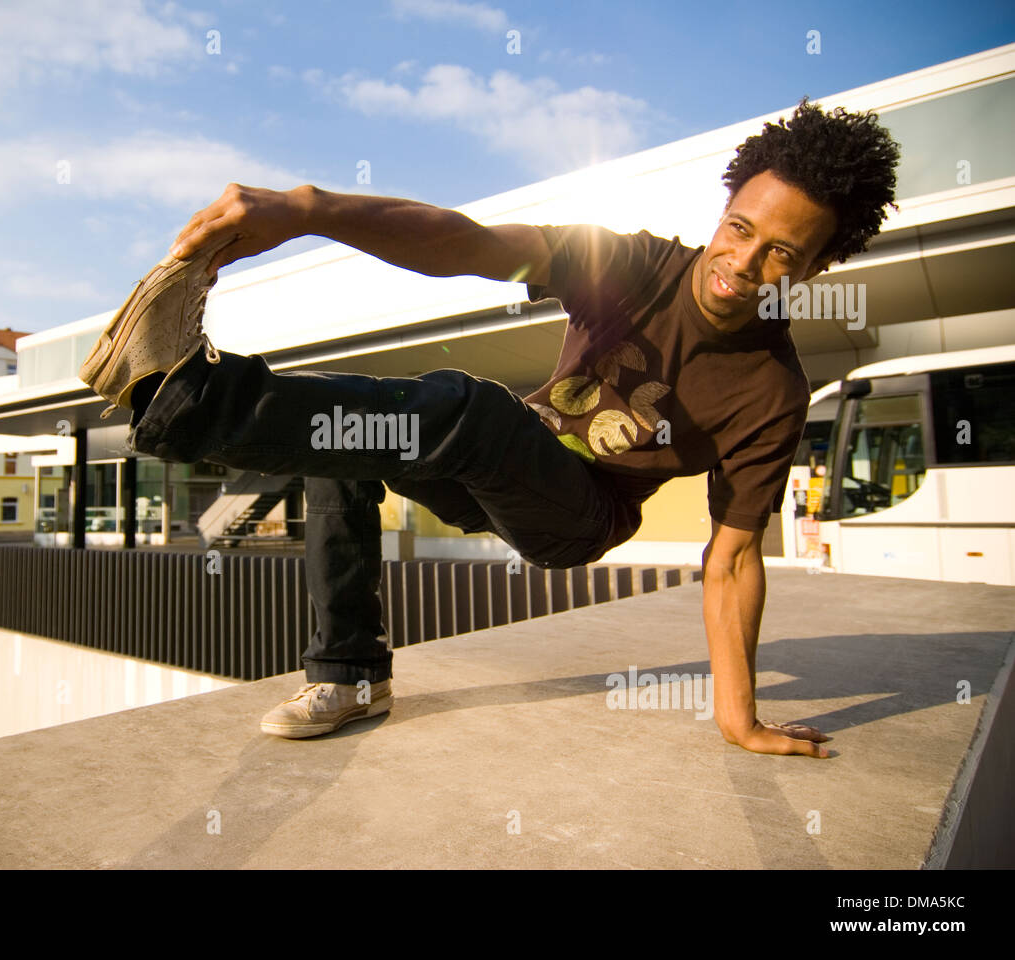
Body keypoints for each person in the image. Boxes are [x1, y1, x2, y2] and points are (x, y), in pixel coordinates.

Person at [86, 97, 900, 756]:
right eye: (739, 230)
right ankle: (351, 675)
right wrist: (310, 209)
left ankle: (185, 396)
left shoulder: (770, 391)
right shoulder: (638, 266)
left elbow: (730, 558)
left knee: (475, 411)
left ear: (817, 269)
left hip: (577, 516)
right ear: (723, 210)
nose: (742, 267)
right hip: (499, 468)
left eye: (782, 257)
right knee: (344, 437)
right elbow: (467, 242)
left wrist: (738, 717)